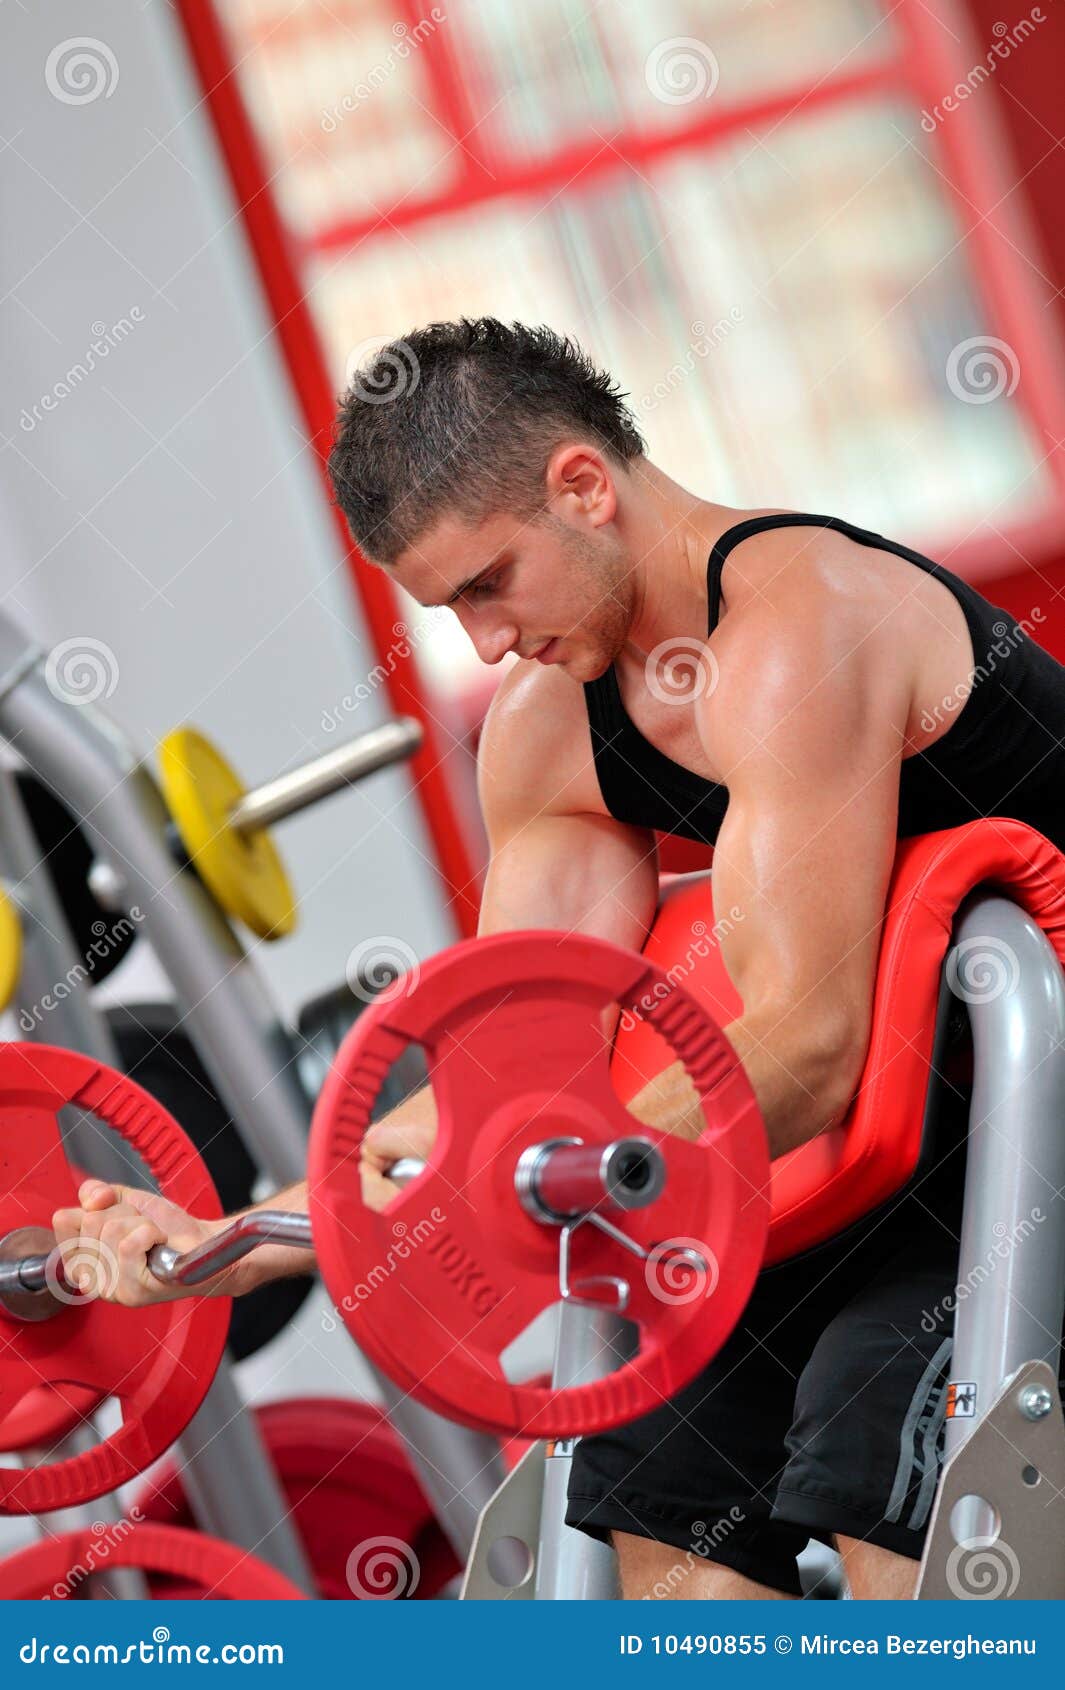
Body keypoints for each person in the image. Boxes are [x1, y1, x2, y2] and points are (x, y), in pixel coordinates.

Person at [53, 318, 1065, 1600]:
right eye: (449, 610)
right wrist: (225, 1239)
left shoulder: (804, 623)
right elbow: (499, 1098)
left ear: (583, 485)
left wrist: (532, 1178)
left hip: (1029, 1132)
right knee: (658, 1497)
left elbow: (808, 1046)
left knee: (881, 1458)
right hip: (884, 1154)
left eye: (490, 584)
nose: (483, 644)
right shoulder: (549, 736)